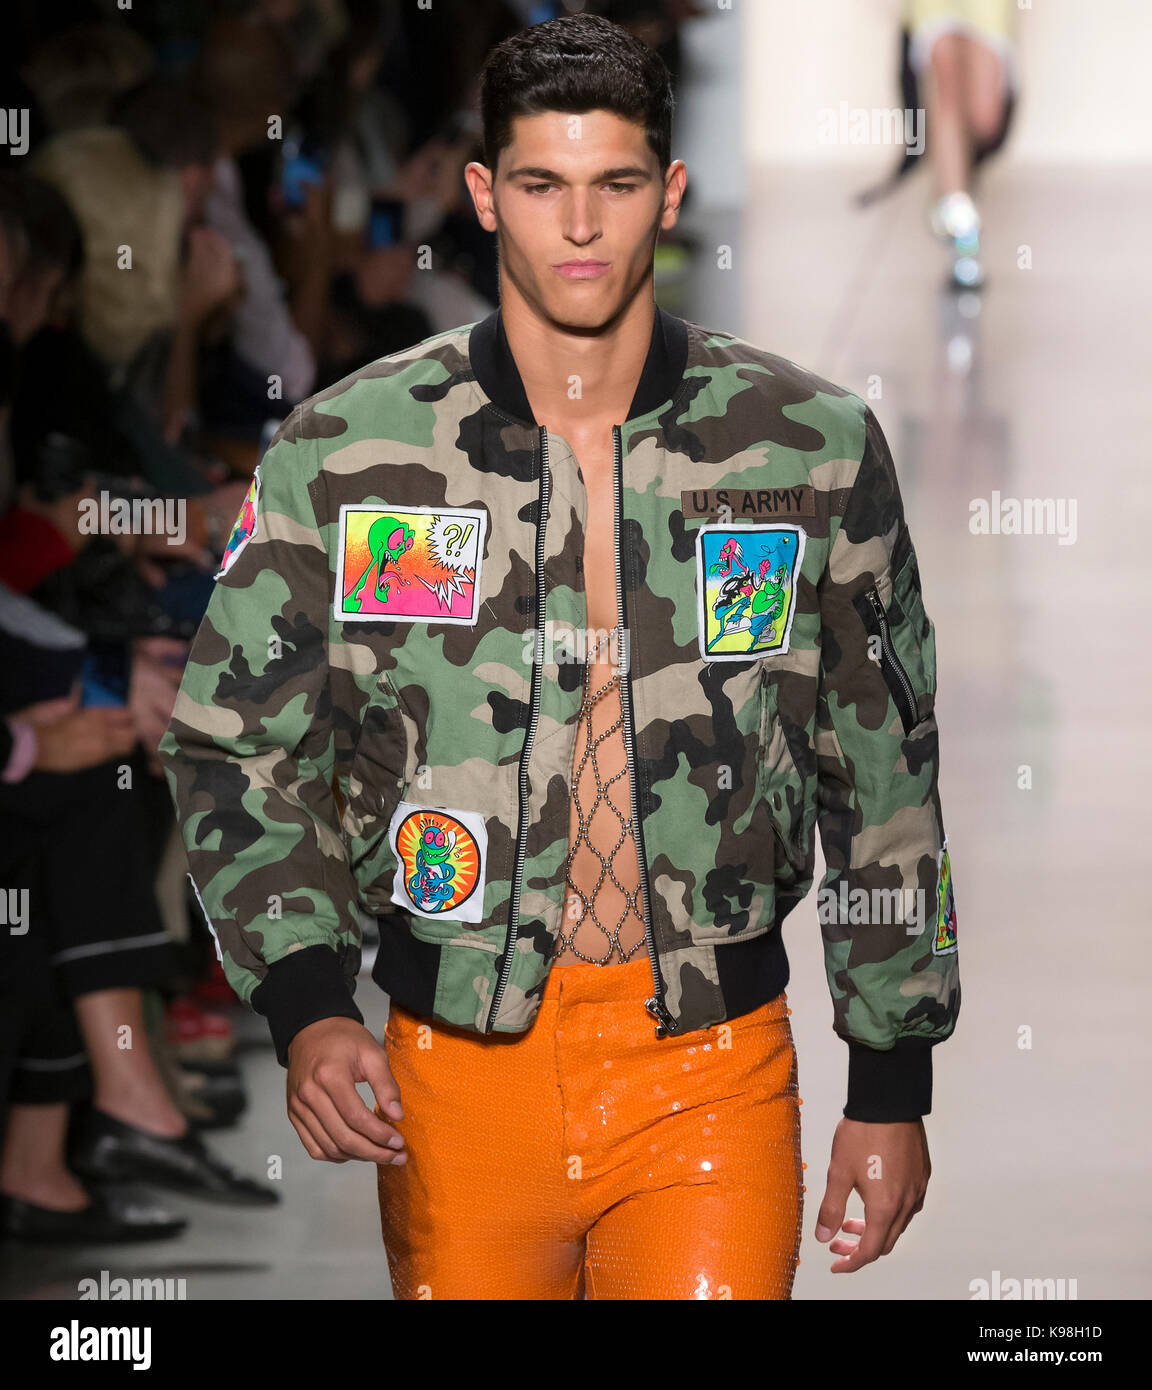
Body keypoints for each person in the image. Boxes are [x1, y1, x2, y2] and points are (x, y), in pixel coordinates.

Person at [159, 12, 959, 1300]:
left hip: (710, 1064)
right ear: (483, 194)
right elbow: (235, 740)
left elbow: (883, 768)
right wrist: (307, 1003)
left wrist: (893, 1076)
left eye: (616, 185)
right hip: (453, 1070)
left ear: (670, 193)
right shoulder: (353, 451)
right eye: (540, 185)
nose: (578, 227)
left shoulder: (806, 447)